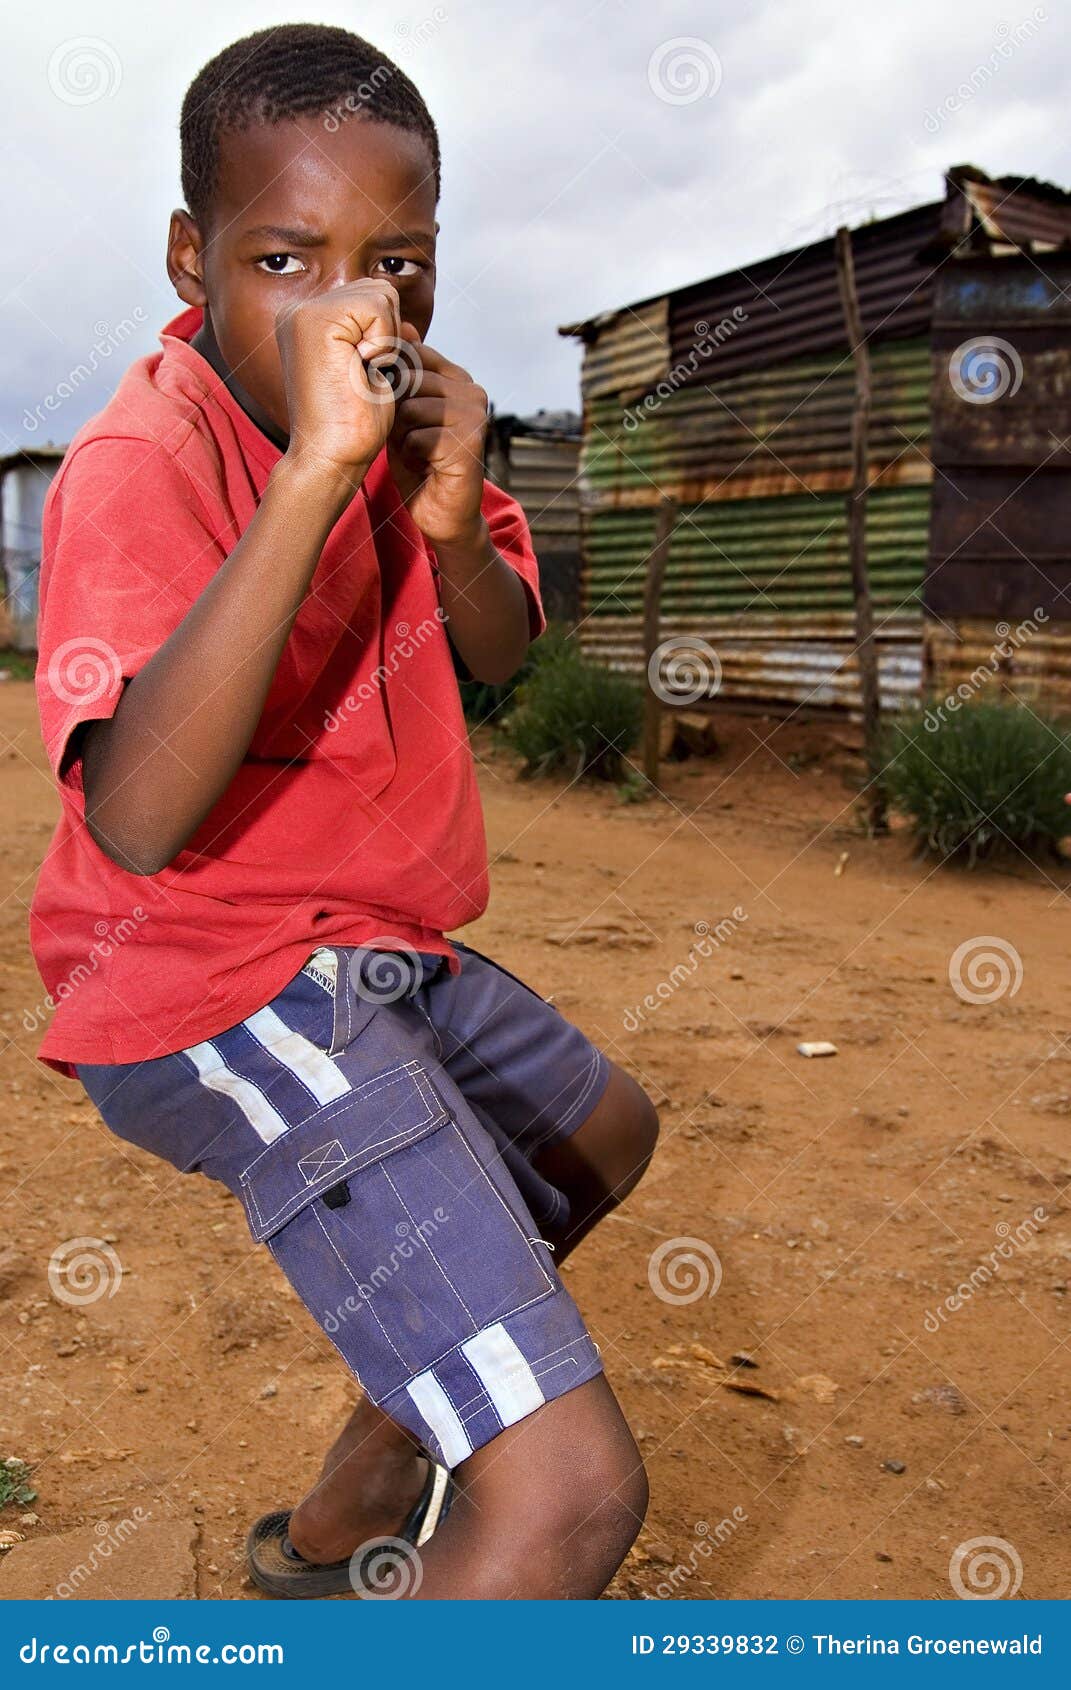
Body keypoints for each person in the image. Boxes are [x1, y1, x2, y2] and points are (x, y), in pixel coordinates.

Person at [30, 23, 659, 1600]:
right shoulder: (143, 456)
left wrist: (447, 530)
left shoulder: (409, 422)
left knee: (599, 1131)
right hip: (203, 970)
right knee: (568, 1499)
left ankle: (356, 1495)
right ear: (191, 261)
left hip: (363, 935)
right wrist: (315, 477)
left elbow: (501, 649)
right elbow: (134, 817)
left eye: (397, 264)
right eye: (285, 261)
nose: (352, 312)